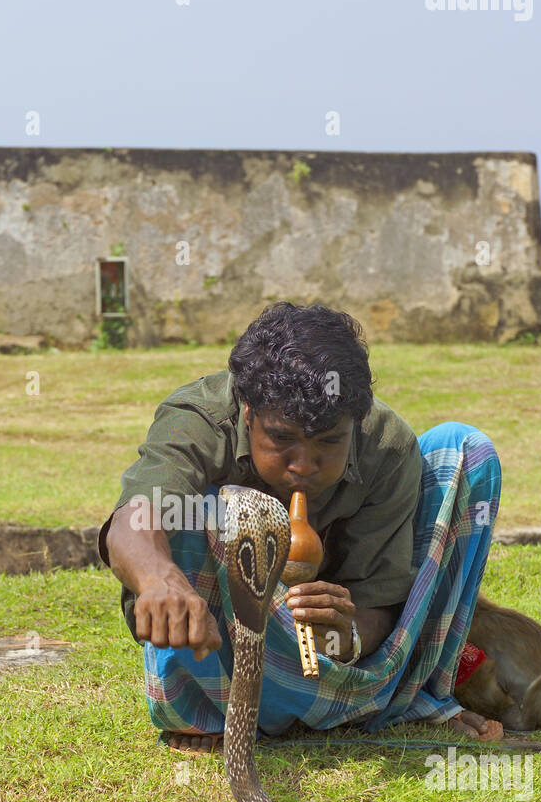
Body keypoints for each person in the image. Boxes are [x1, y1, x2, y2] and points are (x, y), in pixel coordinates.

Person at [98, 302, 503, 752]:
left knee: (467, 450)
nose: (304, 466)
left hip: (338, 671)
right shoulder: (197, 419)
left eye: (330, 442)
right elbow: (134, 518)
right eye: (282, 439)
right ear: (247, 410)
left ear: (356, 420)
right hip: (221, 665)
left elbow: (379, 607)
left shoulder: (385, 444)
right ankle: (205, 715)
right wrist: (159, 580)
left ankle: (402, 697)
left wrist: (345, 633)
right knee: (205, 508)